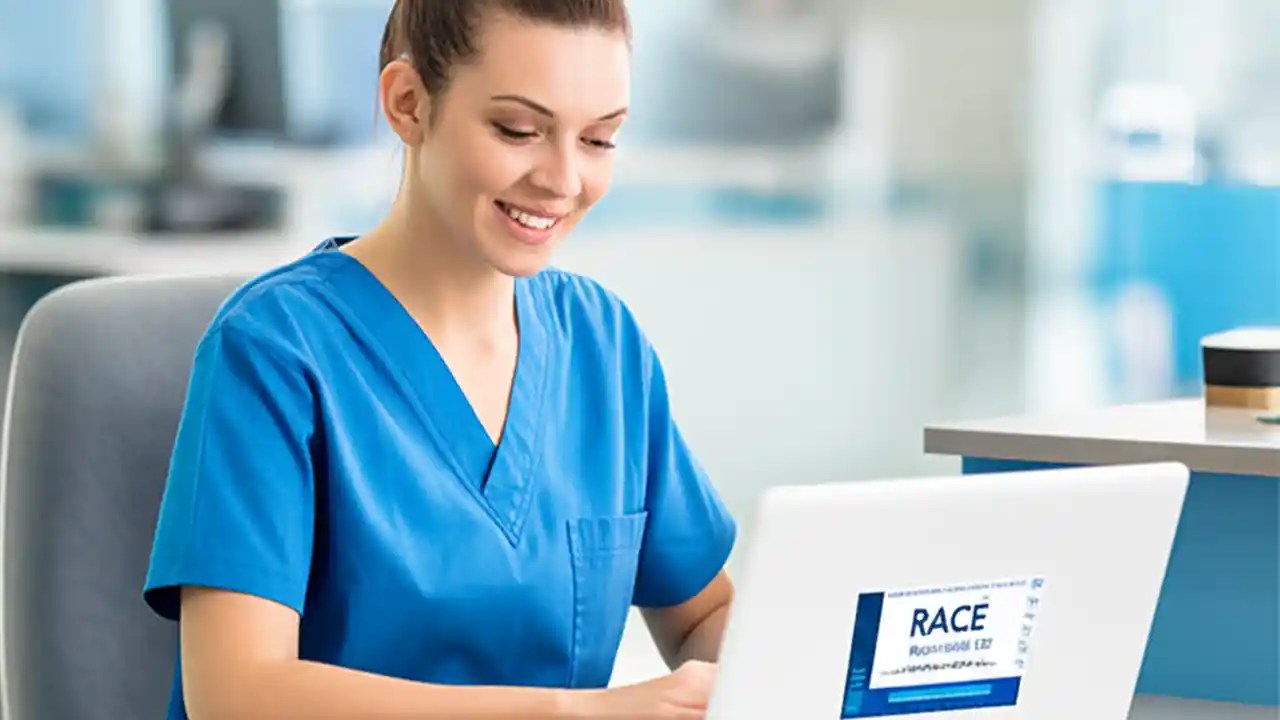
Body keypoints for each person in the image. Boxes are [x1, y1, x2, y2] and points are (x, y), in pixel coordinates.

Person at [142, 0, 738, 718]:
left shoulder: (603, 347)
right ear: (408, 103)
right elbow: (238, 695)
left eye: (600, 140)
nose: (564, 180)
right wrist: (574, 715)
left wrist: (780, 674)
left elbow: (702, 614)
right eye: (519, 130)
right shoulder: (275, 352)